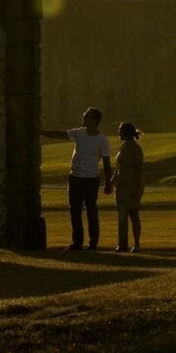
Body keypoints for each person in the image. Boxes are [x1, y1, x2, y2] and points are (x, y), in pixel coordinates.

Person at [41, 107, 112, 251]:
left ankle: (93, 243)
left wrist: (108, 183)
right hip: (75, 177)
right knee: (75, 212)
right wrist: (41, 132)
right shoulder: (79, 133)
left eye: (86, 117)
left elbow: (106, 163)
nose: (84, 119)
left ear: (94, 120)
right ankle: (77, 242)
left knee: (91, 211)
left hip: (91, 179)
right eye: (84, 116)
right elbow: (59, 135)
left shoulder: (102, 140)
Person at [112, 121, 144, 253]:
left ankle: (136, 244)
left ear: (126, 132)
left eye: (120, 130)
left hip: (131, 186)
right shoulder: (123, 147)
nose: (118, 132)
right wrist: (111, 182)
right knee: (122, 216)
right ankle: (122, 244)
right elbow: (117, 168)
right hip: (120, 186)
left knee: (133, 215)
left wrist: (135, 189)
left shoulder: (136, 149)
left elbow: (138, 170)